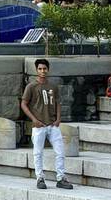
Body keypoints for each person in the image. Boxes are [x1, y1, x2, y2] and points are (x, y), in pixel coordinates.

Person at [21, 58, 72, 190]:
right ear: (36, 70)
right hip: (38, 125)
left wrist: (58, 119)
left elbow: (58, 103)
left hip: (52, 124)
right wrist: (33, 119)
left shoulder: (53, 86)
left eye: (44, 69)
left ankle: (60, 178)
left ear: (48, 70)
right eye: (40, 69)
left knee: (60, 152)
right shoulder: (31, 86)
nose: (42, 71)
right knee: (38, 153)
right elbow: (23, 104)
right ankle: (40, 178)